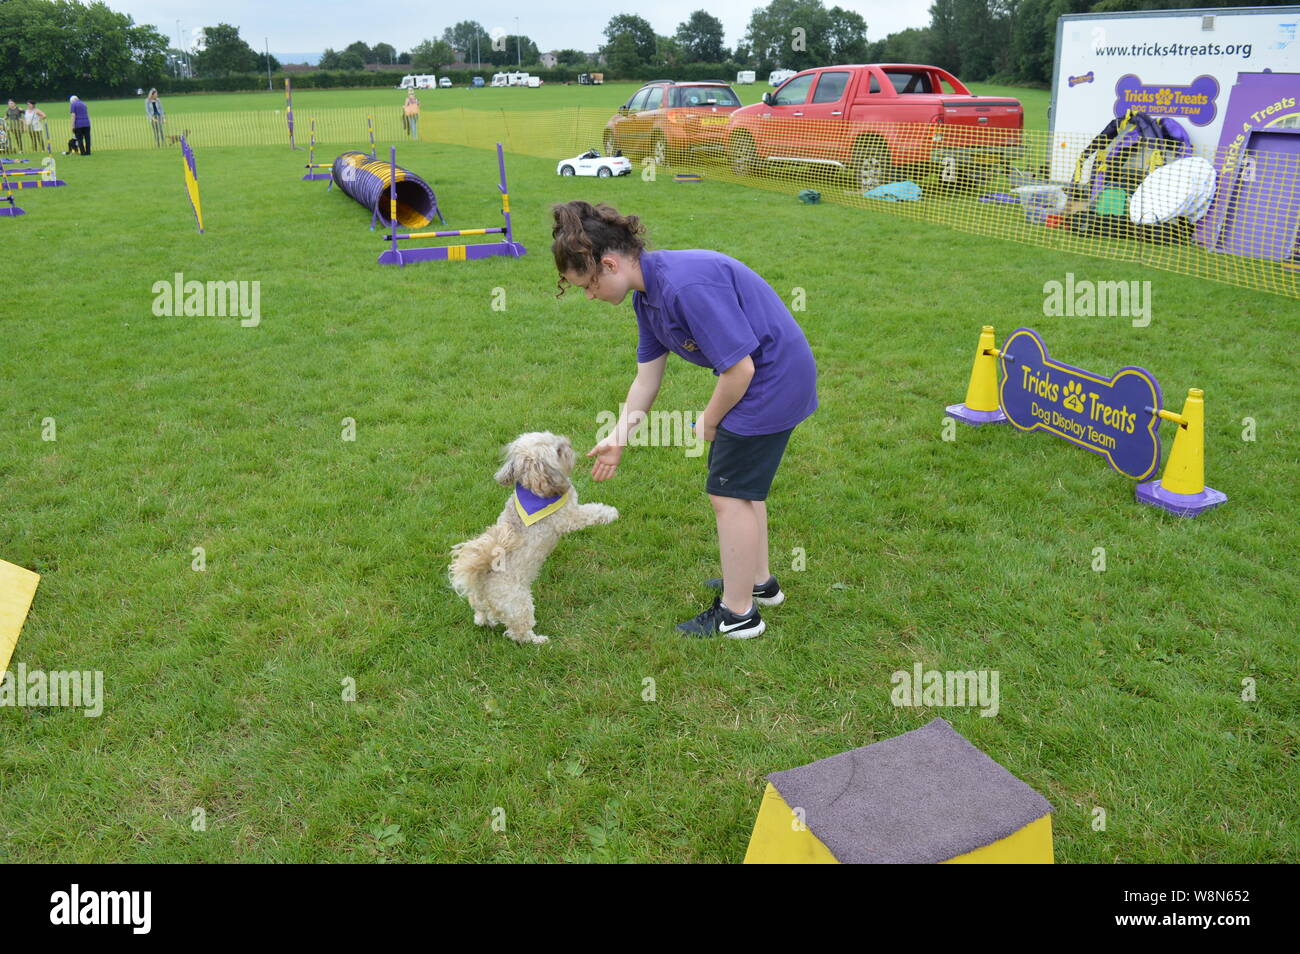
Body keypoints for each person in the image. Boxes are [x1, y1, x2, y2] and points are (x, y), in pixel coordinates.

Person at [552, 201, 818, 639]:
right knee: (742, 488)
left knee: (727, 494)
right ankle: (758, 583)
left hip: (772, 381)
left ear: (609, 263)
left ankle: (739, 615)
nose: (589, 295)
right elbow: (645, 381)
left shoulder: (682, 287)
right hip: (767, 378)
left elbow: (741, 369)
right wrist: (619, 437)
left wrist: (708, 422)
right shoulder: (648, 298)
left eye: (587, 284)